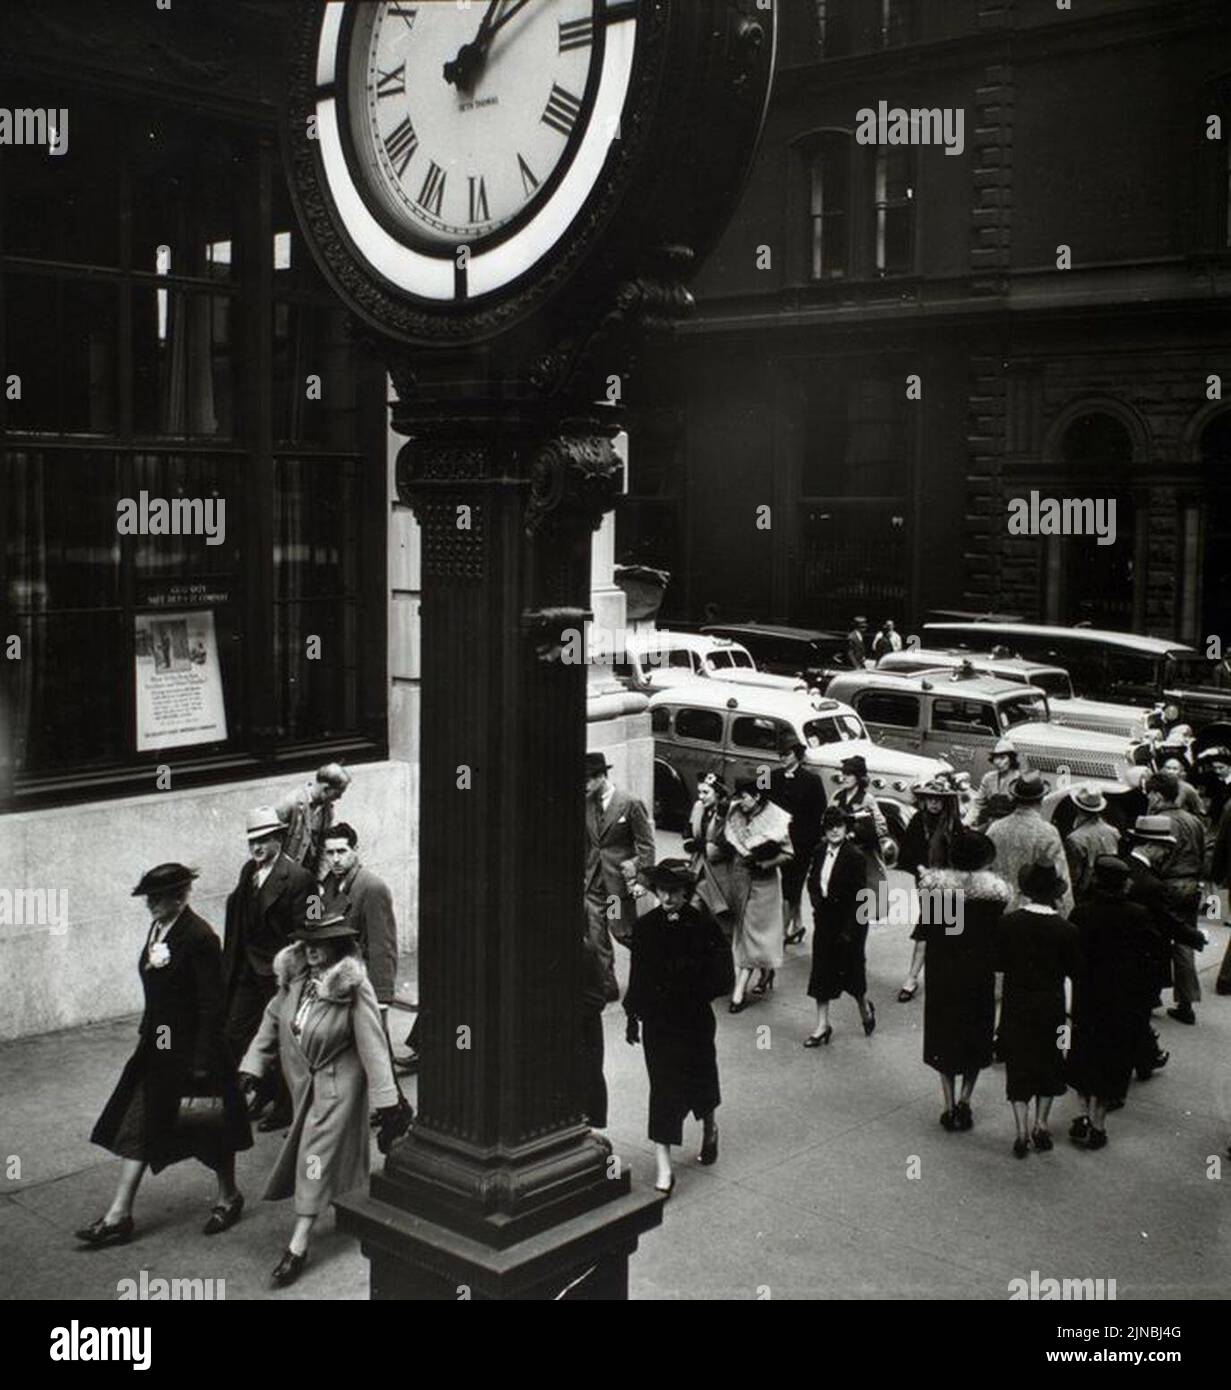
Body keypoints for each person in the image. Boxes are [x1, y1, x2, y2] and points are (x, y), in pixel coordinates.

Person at [77, 865, 252, 1247]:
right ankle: (119, 1214)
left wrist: (203, 1062)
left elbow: (211, 1004)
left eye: (159, 898)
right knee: (140, 1117)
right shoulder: (159, 928)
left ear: (181, 896)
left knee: (207, 1125)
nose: (151, 905)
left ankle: (229, 1196)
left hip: (195, 1055)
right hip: (160, 1046)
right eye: (148, 899)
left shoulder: (200, 936)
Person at [238, 908, 406, 1288]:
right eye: (308, 942)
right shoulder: (294, 980)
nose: (313, 949)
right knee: (329, 1156)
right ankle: (356, 1206)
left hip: (337, 1086)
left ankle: (298, 1243)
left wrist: (387, 1100)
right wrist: (252, 1066)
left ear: (338, 945)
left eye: (322, 943)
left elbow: (373, 1044)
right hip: (303, 1085)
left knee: (313, 1157)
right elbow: (271, 1022)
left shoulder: (351, 986)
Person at [624, 861, 734, 1195]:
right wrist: (632, 1014)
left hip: (694, 1021)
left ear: (686, 892)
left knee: (701, 1077)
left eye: (674, 891)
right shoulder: (645, 927)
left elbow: (722, 974)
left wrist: (695, 991)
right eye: (662, 891)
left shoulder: (703, 926)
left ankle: (709, 1127)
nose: (668, 897)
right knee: (663, 1088)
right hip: (659, 1023)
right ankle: (664, 1168)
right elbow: (638, 975)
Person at [222, 807, 316, 1132]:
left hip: (278, 974)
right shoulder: (249, 870)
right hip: (248, 971)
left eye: (263, 840)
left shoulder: (298, 878)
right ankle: (261, 1092)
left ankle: (284, 1106)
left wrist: (294, 976)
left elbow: (306, 930)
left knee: (282, 1042)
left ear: (278, 838)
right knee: (236, 1033)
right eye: (252, 841)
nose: (256, 848)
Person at [913, 829, 1010, 1131]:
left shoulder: (939, 891)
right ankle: (966, 1101)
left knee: (944, 1037)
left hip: (943, 973)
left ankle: (948, 1104)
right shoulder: (995, 897)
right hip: (978, 974)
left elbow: (926, 934)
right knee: (974, 1037)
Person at [1067, 856, 1159, 1150]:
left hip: (1088, 994)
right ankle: (1098, 1123)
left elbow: (1072, 956)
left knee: (1083, 1052)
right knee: (1111, 1059)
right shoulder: (1139, 915)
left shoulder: (1081, 914)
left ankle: (1081, 1114)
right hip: (1121, 998)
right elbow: (1151, 957)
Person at [996, 864, 1079, 1159]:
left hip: (1016, 1005)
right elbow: (1073, 971)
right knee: (1051, 1062)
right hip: (1052, 1007)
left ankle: (1020, 1130)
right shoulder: (1067, 930)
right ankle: (1041, 1124)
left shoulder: (1008, 923)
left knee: (1018, 1065)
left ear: (1027, 892)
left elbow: (1000, 964)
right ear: (1054, 896)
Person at [804, 806, 873, 1045]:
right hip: (825, 919)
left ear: (846, 829)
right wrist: (817, 908)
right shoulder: (819, 850)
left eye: (839, 826)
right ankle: (822, 1025)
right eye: (829, 826)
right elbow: (813, 881)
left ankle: (864, 1007)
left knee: (852, 973)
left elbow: (861, 896)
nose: (834, 830)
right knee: (821, 971)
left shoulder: (854, 856)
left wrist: (850, 930)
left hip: (849, 923)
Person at [1143, 773, 1206, 1026]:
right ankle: (1187, 1003)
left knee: (1155, 940)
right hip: (1191, 885)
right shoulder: (1194, 821)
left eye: (1150, 794)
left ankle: (1150, 996)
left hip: (1166, 885)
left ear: (1158, 795)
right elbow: (1203, 853)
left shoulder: (1158, 821)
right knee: (1184, 943)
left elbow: (1152, 858)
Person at [723, 777, 792, 1010]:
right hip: (740, 879)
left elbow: (788, 853)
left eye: (744, 796)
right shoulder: (735, 814)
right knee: (745, 931)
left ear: (757, 796)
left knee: (752, 935)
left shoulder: (776, 817)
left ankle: (738, 992)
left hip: (764, 884)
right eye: (738, 796)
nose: (740, 801)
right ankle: (766, 972)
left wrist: (763, 863)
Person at [319, 822, 399, 1020]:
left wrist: (381, 999)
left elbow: (382, 947)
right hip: (334, 981)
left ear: (355, 850)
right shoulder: (327, 885)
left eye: (342, 851)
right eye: (330, 853)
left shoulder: (372, 887)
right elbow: (316, 928)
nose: (335, 859)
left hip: (360, 985)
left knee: (372, 1045)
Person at [584, 752, 655, 971]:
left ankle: (654, 966)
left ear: (601, 776)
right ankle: (607, 983)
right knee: (596, 936)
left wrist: (642, 880)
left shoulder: (629, 803)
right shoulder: (586, 803)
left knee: (620, 931)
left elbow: (646, 844)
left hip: (616, 887)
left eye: (586, 780)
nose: (583, 785)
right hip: (594, 883)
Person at [896, 775, 965, 1003]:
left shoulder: (953, 823)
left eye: (939, 800)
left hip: (950, 883)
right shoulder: (918, 820)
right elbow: (907, 853)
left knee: (947, 930)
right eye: (930, 799)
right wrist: (922, 871)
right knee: (928, 926)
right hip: (926, 881)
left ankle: (934, 977)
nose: (934, 803)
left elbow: (960, 855)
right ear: (924, 800)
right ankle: (912, 977)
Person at [985, 774, 1074, 915]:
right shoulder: (1047, 832)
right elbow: (1060, 876)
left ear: (1015, 797)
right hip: (1030, 913)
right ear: (1041, 799)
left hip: (996, 908)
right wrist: (1064, 915)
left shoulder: (995, 828)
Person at [769, 743, 827, 947]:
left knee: (791, 886)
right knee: (786, 885)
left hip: (801, 844)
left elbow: (820, 812)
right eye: (779, 753)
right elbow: (758, 799)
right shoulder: (771, 775)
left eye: (786, 753)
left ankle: (782, 933)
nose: (781, 757)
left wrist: (812, 841)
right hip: (775, 841)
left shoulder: (812, 780)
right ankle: (798, 924)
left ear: (798, 756)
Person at [683, 773, 738, 942]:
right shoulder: (698, 807)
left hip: (720, 874)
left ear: (718, 794)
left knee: (721, 921)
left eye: (706, 792)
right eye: (699, 792)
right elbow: (689, 831)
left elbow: (731, 845)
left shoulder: (730, 812)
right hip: (698, 868)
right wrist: (691, 839)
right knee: (693, 911)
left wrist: (704, 846)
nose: (701, 797)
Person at [832, 754, 894, 899]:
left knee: (861, 894)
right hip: (838, 851)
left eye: (849, 774)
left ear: (859, 778)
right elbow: (826, 820)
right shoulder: (836, 796)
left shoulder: (867, 799)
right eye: (843, 774)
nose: (844, 778)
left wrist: (863, 833)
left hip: (861, 854)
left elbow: (881, 826)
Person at [275, 763, 352, 878]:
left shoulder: (328, 812)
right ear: (326, 788)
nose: (339, 798)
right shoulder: (291, 803)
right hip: (285, 878)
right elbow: (271, 844)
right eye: (337, 793)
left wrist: (320, 879)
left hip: (309, 877)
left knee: (314, 897)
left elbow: (322, 847)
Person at [1063, 784, 1120, 904]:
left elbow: (1073, 875)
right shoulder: (1114, 832)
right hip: (1111, 890)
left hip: (1086, 894)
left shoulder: (1075, 839)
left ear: (1077, 807)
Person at [969, 739, 1021, 827]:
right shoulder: (988, 778)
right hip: (989, 823)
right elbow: (978, 804)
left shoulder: (1019, 779)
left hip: (1011, 825)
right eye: (996, 758)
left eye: (1002, 758)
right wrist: (966, 822)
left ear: (1011, 759)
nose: (998, 762)